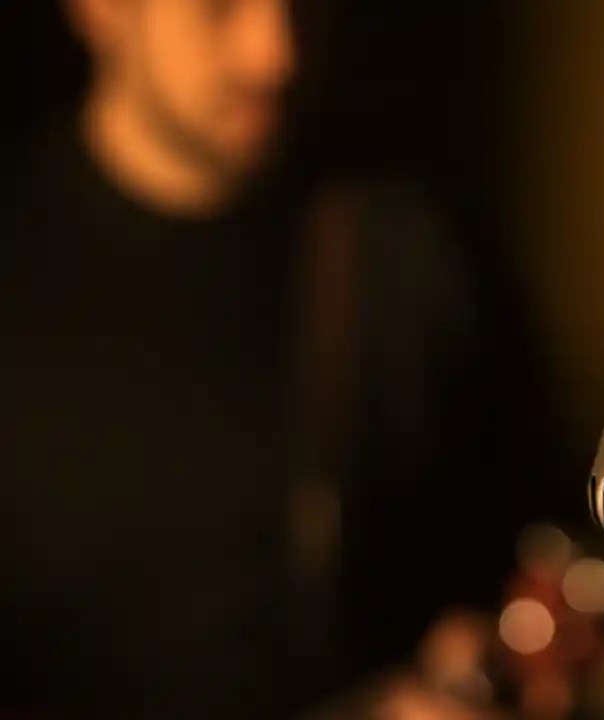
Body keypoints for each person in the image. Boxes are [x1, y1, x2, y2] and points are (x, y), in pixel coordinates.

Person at [0, 1, 547, 718]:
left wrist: (487, 663)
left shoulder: (398, 250)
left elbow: (516, 565)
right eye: (218, 8)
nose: (275, 55)